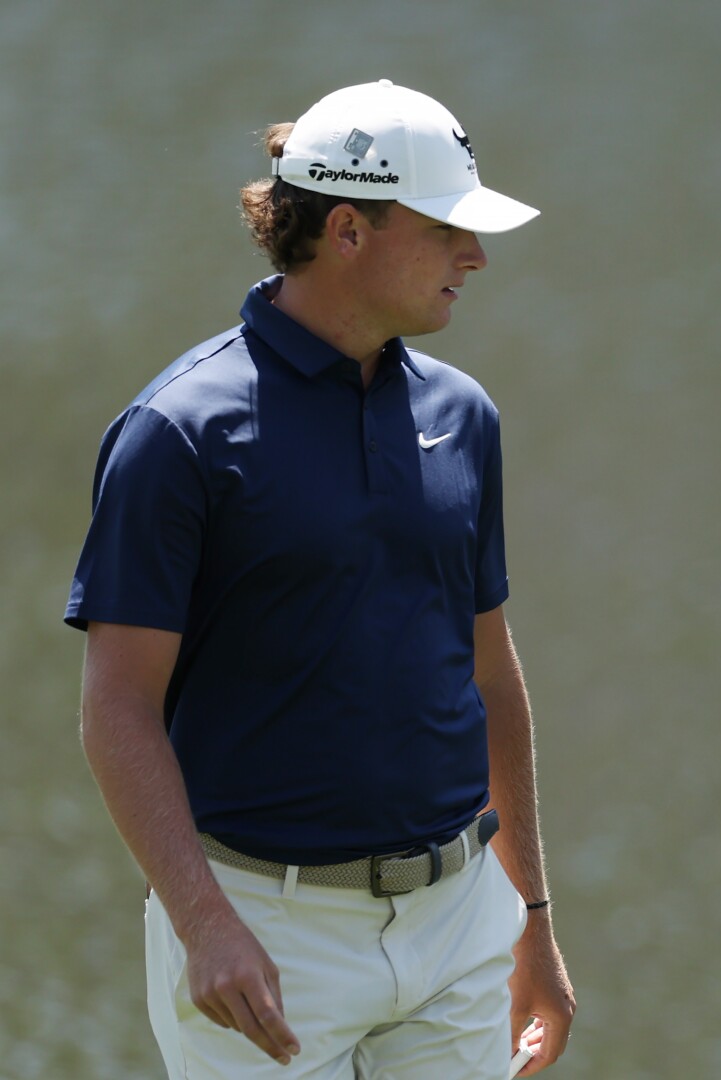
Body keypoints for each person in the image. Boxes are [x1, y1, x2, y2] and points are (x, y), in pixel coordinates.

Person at [66, 80, 575, 1077]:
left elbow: (489, 677)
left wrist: (532, 919)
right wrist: (203, 923)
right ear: (347, 229)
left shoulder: (464, 416)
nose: (474, 256)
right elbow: (117, 707)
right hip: (261, 936)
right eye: (445, 230)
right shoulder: (179, 433)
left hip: (457, 926)